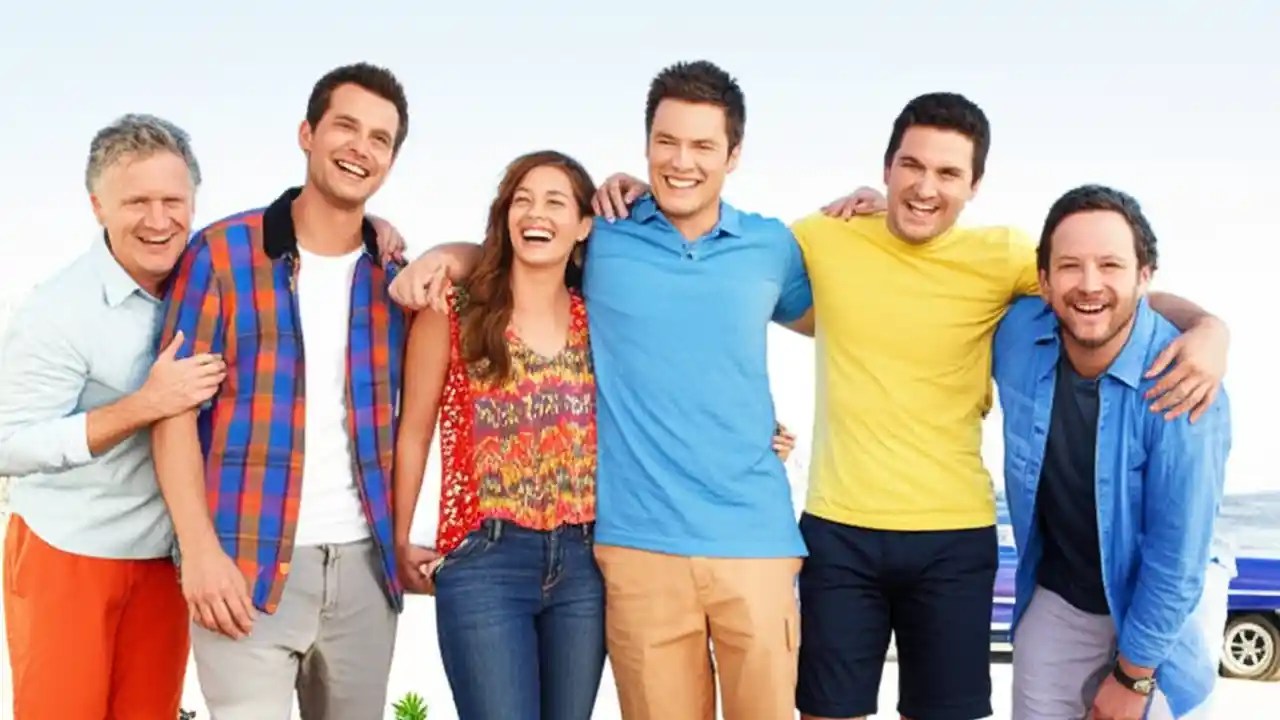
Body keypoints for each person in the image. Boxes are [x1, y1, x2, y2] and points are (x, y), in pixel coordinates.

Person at [591, 92, 1229, 720]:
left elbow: (1099, 286)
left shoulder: (1005, 255)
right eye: (912, 167)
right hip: (838, 529)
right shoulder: (823, 238)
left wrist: (1207, 329)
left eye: (948, 173)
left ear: (974, 185)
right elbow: (713, 267)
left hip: (953, 536)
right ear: (886, 168)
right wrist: (644, 192)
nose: (927, 187)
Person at [391, 61, 813, 720]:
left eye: (703, 145)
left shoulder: (770, 245)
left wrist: (869, 212)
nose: (682, 161)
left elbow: (829, 324)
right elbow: (516, 251)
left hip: (744, 541)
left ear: (734, 154)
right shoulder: (611, 238)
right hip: (627, 550)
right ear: (644, 147)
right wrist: (441, 255)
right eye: (667, 143)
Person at [150, 62, 411, 719]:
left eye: (380, 139)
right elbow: (173, 411)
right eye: (345, 127)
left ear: (390, 161)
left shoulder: (395, 279)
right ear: (307, 133)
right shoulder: (222, 255)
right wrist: (201, 553)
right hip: (244, 563)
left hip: (364, 572)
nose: (361, 147)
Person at [0, 113, 219, 719]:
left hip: (159, 561)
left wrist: (378, 228)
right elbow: (9, 443)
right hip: (66, 552)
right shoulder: (58, 310)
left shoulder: (210, 280)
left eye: (172, 200)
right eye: (136, 201)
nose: (158, 220)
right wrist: (144, 406)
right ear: (98, 206)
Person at [992, 184, 1230, 719]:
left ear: (1144, 276)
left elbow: (1177, 556)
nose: (1090, 284)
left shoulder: (1186, 381)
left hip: (1163, 612)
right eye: (1071, 266)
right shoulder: (1016, 335)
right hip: (1060, 594)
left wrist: (1134, 676)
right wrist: (885, 208)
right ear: (1045, 282)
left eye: (1111, 265)